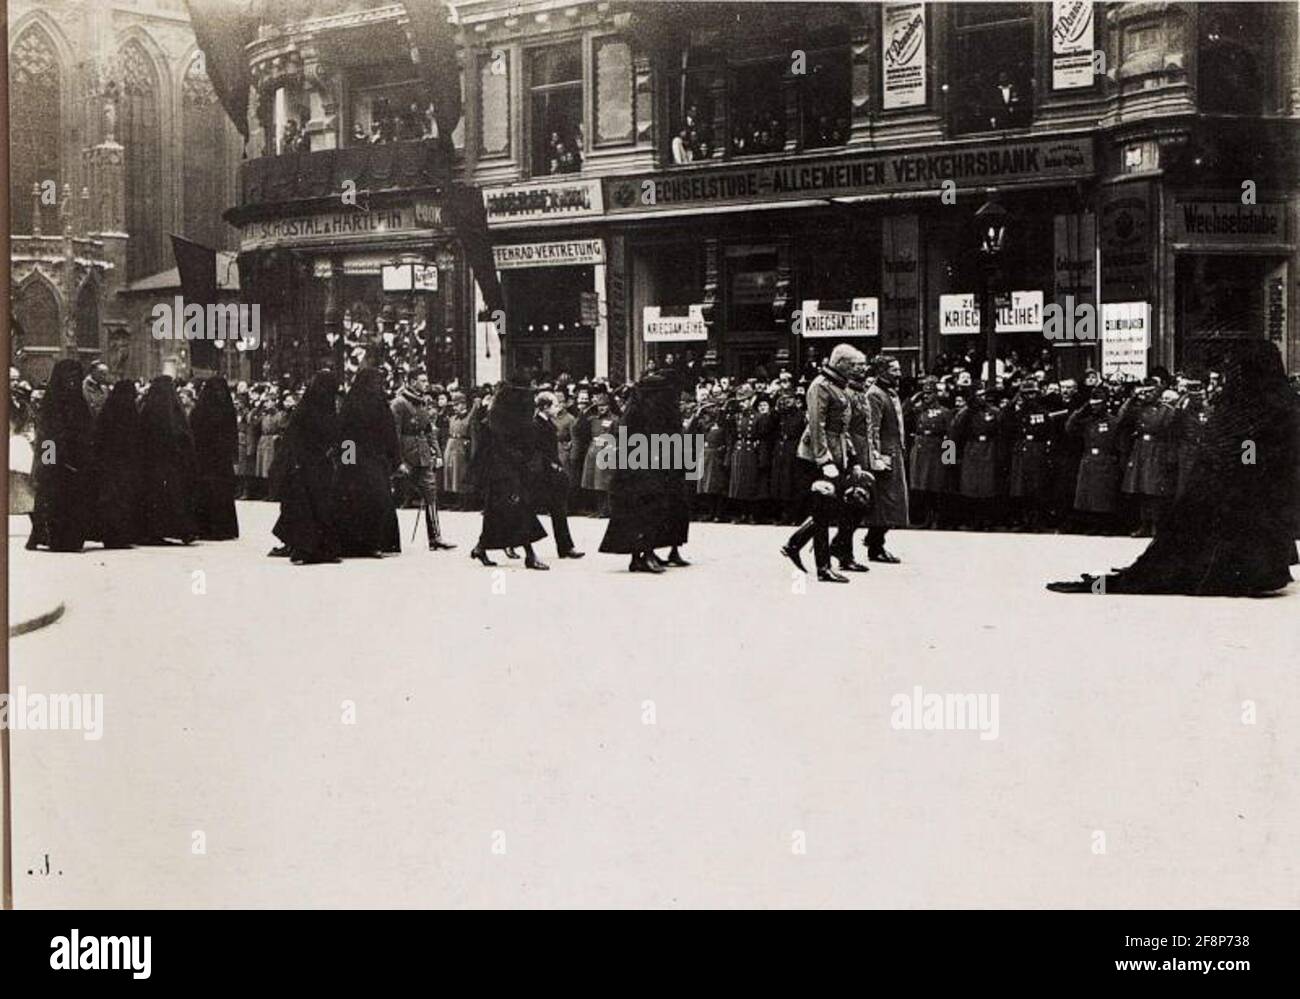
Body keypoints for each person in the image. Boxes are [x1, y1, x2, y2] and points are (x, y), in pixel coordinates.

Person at [1049, 339, 1298, 595]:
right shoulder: (1273, 401)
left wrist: (1244, 464)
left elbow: (1249, 444)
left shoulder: (1252, 403)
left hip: (1245, 482)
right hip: (1255, 484)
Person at [780, 344, 864, 582]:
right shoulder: (820, 386)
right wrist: (824, 460)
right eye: (853, 364)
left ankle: (795, 544)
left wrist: (853, 458)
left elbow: (842, 428)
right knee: (823, 508)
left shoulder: (839, 386)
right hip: (816, 456)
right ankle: (823, 567)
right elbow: (817, 426)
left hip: (836, 452)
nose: (857, 369)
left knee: (847, 502)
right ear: (840, 363)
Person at [598, 372, 691, 572]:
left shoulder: (655, 408)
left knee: (654, 511)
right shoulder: (639, 410)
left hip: (656, 467)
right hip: (639, 469)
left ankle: (647, 554)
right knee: (644, 512)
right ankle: (642, 555)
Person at [470, 378, 549, 569]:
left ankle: (481, 547)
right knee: (521, 510)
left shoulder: (499, 418)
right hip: (504, 474)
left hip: (501, 474)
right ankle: (530, 555)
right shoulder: (501, 422)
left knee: (497, 514)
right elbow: (509, 449)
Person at [273, 370, 342, 565]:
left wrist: (345, 459)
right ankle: (310, 548)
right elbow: (342, 438)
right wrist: (346, 461)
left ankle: (313, 548)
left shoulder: (312, 408)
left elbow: (341, 439)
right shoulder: (316, 411)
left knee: (314, 507)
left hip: (313, 465)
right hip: (309, 465)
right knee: (313, 507)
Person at [27, 359, 96, 552]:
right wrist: (48, 462)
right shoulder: (51, 403)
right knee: (51, 496)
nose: (72, 381)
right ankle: (48, 537)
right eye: (68, 377)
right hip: (55, 460)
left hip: (75, 461)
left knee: (74, 499)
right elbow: (46, 435)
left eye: (76, 377)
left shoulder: (79, 403)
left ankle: (70, 539)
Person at [333, 367, 401, 557]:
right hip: (370, 460)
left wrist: (347, 460)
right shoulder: (374, 403)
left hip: (361, 459)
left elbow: (345, 434)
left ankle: (363, 543)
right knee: (376, 499)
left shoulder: (353, 402)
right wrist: (394, 460)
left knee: (360, 500)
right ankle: (375, 543)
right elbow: (389, 435)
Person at [391, 370, 455, 551]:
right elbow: (395, 433)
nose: (426, 383)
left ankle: (435, 537)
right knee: (393, 495)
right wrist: (398, 460)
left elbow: (429, 431)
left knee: (431, 493)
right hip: (406, 454)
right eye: (422, 380)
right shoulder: (399, 403)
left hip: (423, 454)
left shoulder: (423, 402)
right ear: (412, 382)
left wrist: (438, 454)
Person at [138, 373, 198, 545]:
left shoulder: (148, 408)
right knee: (175, 496)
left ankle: (154, 531)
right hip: (173, 464)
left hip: (152, 464)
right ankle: (182, 529)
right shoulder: (175, 410)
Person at [863, 354, 909, 562]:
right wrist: (877, 457)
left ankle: (875, 541)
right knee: (885, 502)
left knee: (892, 501)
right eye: (894, 369)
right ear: (882, 371)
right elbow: (872, 429)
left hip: (894, 451)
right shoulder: (875, 394)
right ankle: (875, 545)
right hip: (885, 454)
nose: (899, 373)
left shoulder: (889, 392)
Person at [1117, 378, 1176, 536]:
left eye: (1151, 391)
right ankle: (1144, 523)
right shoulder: (1137, 408)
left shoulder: (1167, 410)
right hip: (1141, 449)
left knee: (1154, 490)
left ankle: (1156, 524)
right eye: (1146, 391)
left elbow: (1172, 434)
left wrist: (1169, 456)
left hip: (1157, 450)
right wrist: (1132, 399)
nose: (1148, 394)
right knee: (1141, 488)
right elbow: (1121, 418)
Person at [532, 391, 584, 559]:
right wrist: (552, 465)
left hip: (552, 473)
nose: (558, 408)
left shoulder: (547, 422)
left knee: (559, 510)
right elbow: (537, 450)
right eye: (554, 405)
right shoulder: (536, 424)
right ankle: (509, 543)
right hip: (543, 474)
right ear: (545, 407)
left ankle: (565, 547)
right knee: (527, 510)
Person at [1064, 387, 1123, 534]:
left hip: (1106, 459)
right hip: (1089, 459)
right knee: (1088, 496)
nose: (1095, 407)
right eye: (1093, 404)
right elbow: (1069, 427)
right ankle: (1093, 524)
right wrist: (1082, 410)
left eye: (1098, 404)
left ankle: (1106, 525)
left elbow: (1119, 442)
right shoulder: (1088, 421)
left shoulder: (1113, 421)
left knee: (1104, 496)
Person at [190, 376, 240, 541]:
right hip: (217, 459)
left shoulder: (201, 409)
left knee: (210, 492)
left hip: (208, 458)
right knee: (219, 492)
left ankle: (207, 527)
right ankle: (222, 528)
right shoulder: (226, 409)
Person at [906, 376, 953, 529]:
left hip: (936, 450)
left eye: (929, 393)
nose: (926, 396)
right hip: (920, 449)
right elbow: (903, 414)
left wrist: (949, 459)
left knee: (935, 485)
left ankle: (936, 518)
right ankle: (921, 518)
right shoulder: (918, 410)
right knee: (919, 485)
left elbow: (950, 435)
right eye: (924, 393)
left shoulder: (944, 412)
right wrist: (913, 399)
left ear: (936, 394)